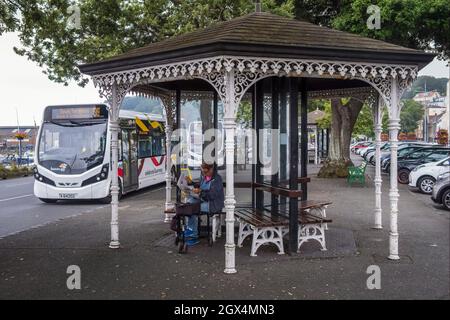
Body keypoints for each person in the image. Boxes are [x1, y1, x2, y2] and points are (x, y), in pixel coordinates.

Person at [184, 162, 224, 245]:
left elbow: (211, 195)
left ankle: (193, 235)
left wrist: (200, 192)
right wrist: (191, 183)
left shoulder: (217, 179)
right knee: (189, 203)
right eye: (203, 172)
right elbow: (201, 187)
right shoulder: (204, 177)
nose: (204, 174)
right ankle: (190, 230)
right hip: (204, 200)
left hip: (213, 204)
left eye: (206, 172)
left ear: (212, 170)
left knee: (192, 208)